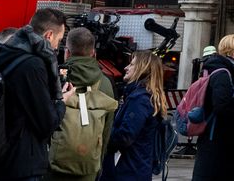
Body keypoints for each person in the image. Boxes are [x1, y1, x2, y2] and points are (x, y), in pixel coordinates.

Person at [0, 7, 70, 181]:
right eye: (59, 39)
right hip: (20, 163)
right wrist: (61, 101)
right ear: (49, 35)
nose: (57, 46)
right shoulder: (33, 66)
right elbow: (46, 123)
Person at [47, 27, 114, 181]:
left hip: (52, 165)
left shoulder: (54, 79)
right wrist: (98, 164)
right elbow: (106, 130)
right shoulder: (105, 84)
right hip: (88, 167)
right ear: (93, 54)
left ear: (67, 52)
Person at [106, 47, 171, 181]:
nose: (126, 67)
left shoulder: (139, 99)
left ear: (142, 68)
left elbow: (124, 137)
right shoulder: (145, 97)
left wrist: (104, 132)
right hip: (137, 168)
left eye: (131, 64)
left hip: (127, 172)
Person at [190, 35, 234, 181]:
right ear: (229, 52)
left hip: (215, 142)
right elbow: (221, 106)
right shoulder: (223, 74)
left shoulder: (222, 71)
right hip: (220, 144)